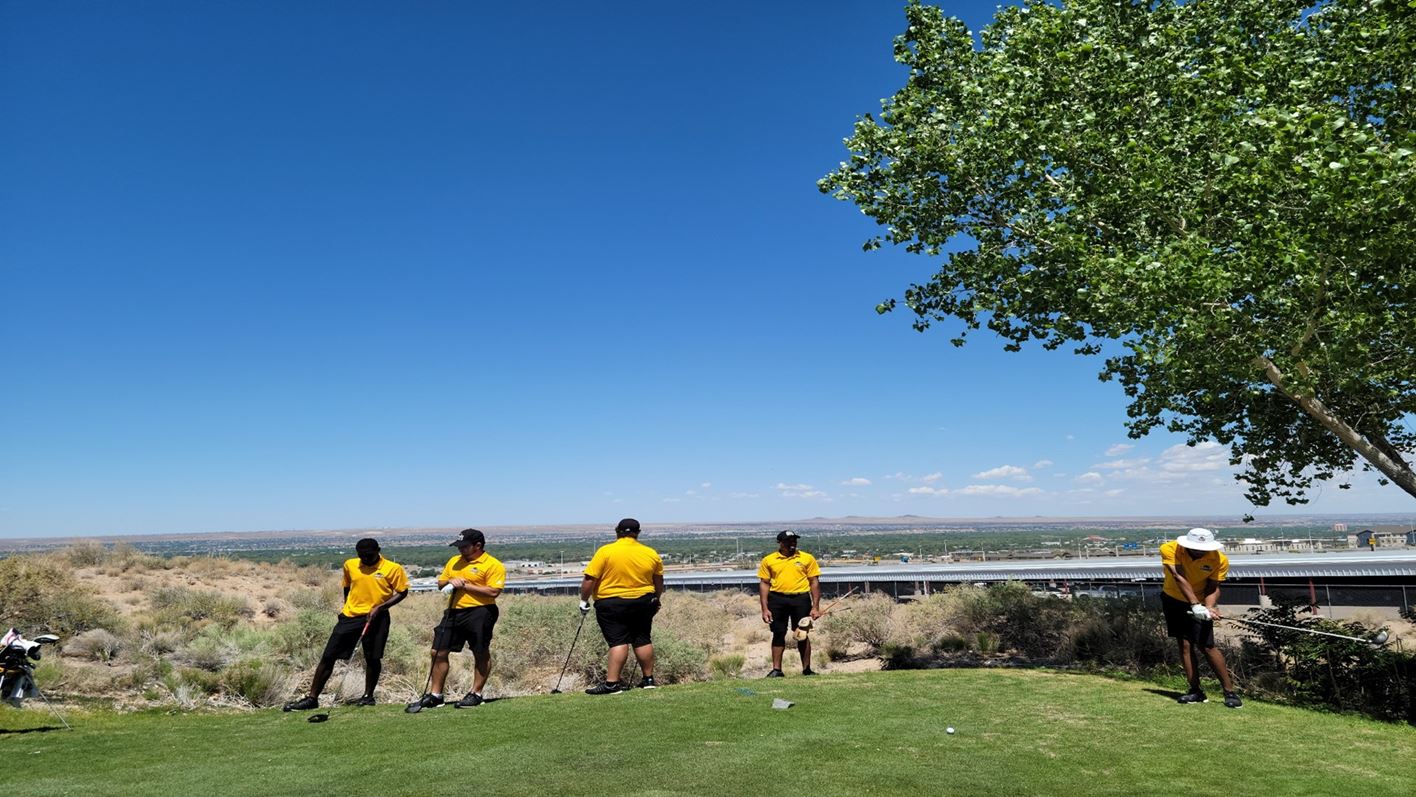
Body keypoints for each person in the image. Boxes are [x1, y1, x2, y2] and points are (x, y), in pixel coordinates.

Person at [284, 538, 408, 711]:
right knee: (328, 656)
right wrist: (346, 607)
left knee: (373, 658)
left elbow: (402, 592)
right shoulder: (350, 565)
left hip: (378, 617)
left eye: (369, 555)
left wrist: (381, 607)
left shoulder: (393, 568)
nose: (365, 559)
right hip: (350, 617)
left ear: (378, 551)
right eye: (362, 556)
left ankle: (368, 696)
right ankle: (312, 699)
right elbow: (347, 587)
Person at [413, 528, 506, 709]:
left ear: (478, 545)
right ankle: (436, 695)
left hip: (481, 611)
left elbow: (493, 591)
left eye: (464, 546)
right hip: (454, 611)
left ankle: (476, 693)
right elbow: (441, 583)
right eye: (459, 546)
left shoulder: (493, 564)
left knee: (480, 651)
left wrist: (465, 586)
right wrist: (450, 581)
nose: (460, 549)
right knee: (438, 651)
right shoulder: (454, 561)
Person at [580, 518, 664, 694]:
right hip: (643, 601)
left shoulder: (605, 551)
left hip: (611, 603)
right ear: (638, 533)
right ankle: (648, 680)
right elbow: (658, 580)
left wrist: (583, 600)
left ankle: (612, 684)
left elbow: (590, 578)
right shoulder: (650, 553)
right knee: (642, 638)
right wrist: (656, 599)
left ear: (617, 531)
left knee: (618, 641)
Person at [1160, 527, 1241, 708]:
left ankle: (1229, 692)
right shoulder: (1170, 549)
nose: (1200, 551)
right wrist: (1195, 605)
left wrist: (1209, 607)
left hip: (1200, 601)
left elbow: (1213, 586)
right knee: (1185, 644)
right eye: (1196, 548)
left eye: (1204, 549)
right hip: (1173, 599)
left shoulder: (1219, 559)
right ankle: (1195, 691)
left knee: (1207, 645)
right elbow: (1178, 576)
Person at [757, 531, 822, 677]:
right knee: (778, 632)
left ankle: (807, 669)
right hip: (777, 599)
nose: (792, 543)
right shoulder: (769, 560)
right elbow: (764, 584)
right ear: (780, 543)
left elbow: (814, 582)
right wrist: (765, 608)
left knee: (802, 633)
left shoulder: (807, 558)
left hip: (801, 599)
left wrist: (815, 606)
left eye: (794, 540)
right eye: (788, 541)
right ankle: (777, 670)